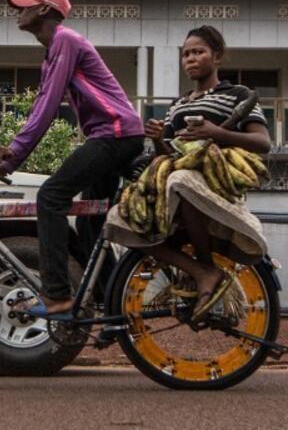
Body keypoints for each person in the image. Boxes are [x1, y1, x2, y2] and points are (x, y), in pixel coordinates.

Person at [0, 0, 145, 317]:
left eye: (26, 6)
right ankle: (113, 309)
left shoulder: (65, 40)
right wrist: (10, 154)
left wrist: (14, 155)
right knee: (90, 223)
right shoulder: (53, 53)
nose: (19, 12)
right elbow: (40, 105)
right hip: (112, 135)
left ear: (44, 9)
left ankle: (57, 294)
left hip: (115, 133)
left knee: (51, 197)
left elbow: (47, 107)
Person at [104, 25, 272, 318]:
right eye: (186, 54)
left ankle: (205, 266)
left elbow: (263, 143)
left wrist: (216, 132)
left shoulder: (237, 94)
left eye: (198, 52)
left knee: (181, 180)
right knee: (117, 221)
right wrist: (158, 138)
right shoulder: (178, 105)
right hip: (176, 178)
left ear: (216, 56)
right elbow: (169, 156)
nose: (191, 59)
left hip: (215, 180)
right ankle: (201, 271)